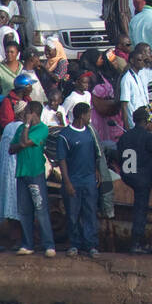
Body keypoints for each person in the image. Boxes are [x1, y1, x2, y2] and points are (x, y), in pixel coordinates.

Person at [56, 101, 101, 257]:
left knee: (90, 212)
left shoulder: (90, 132)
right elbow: (62, 160)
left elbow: (94, 153)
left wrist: (96, 171)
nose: (90, 117)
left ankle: (91, 245)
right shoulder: (65, 135)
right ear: (82, 115)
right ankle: (74, 244)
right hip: (73, 180)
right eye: (89, 114)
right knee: (73, 214)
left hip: (89, 180)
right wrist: (67, 182)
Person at [11, 102, 55, 257]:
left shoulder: (42, 129)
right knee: (24, 211)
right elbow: (12, 148)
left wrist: (27, 126)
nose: (24, 114)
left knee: (41, 209)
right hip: (21, 173)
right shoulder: (20, 128)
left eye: (27, 112)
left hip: (35, 173)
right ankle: (27, 244)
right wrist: (23, 136)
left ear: (33, 112)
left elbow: (23, 143)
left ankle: (49, 245)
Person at [117, 107, 152, 254]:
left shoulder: (125, 136)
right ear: (147, 121)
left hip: (127, 176)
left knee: (138, 209)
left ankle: (137, 242)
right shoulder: (148, 137)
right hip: (142, 178)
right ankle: (137, 243)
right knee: (140, 210)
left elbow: (119, 156)